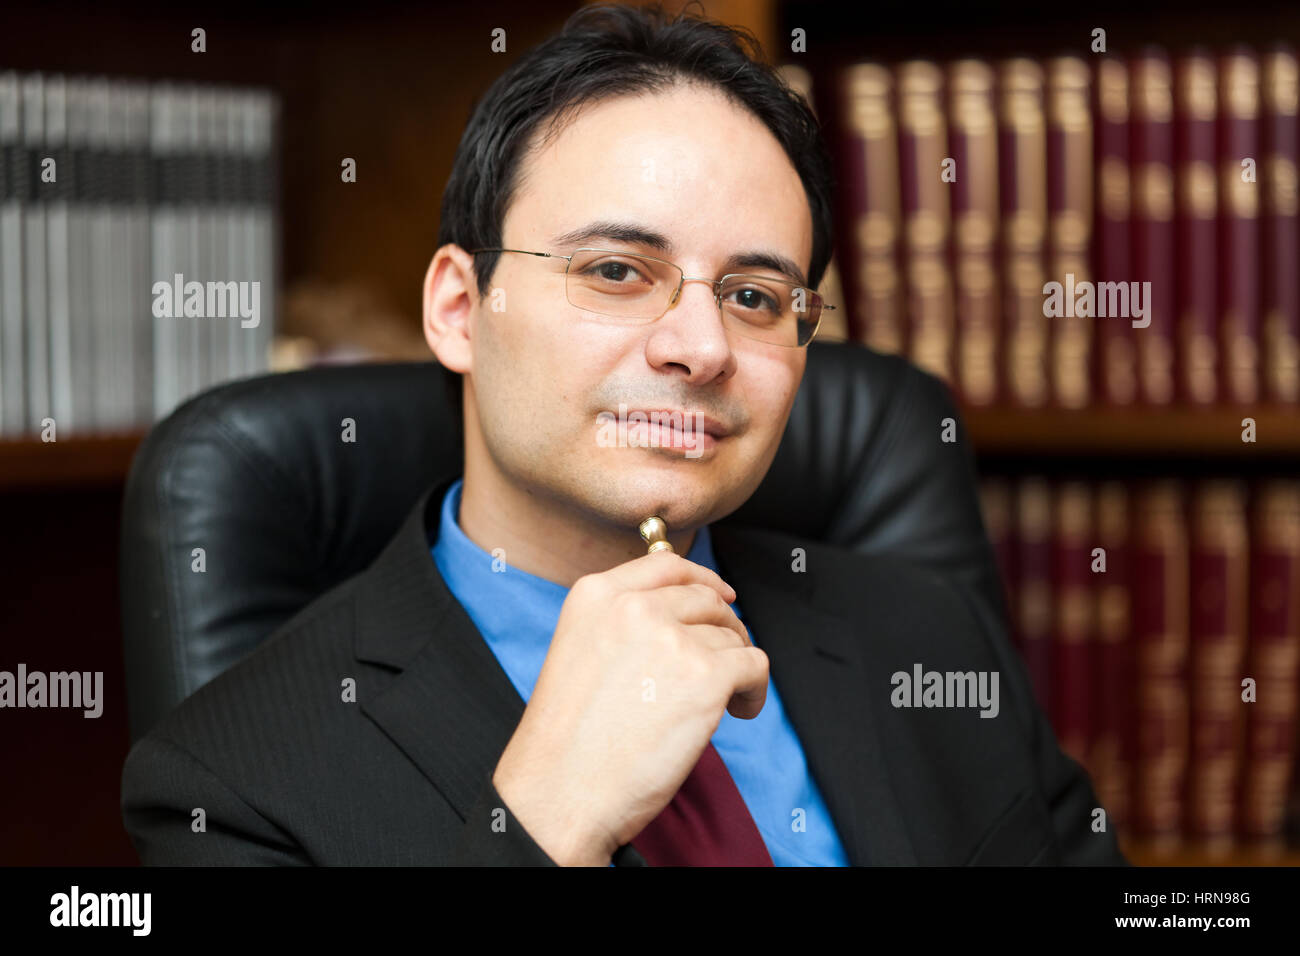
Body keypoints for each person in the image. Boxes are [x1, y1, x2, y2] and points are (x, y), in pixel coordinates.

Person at [121, 2, 1127, 866]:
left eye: (754, 294)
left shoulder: (928, 635)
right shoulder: (230, 777)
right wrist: (543, 821)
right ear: (460, 310)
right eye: (614, 271)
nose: (700, 346)